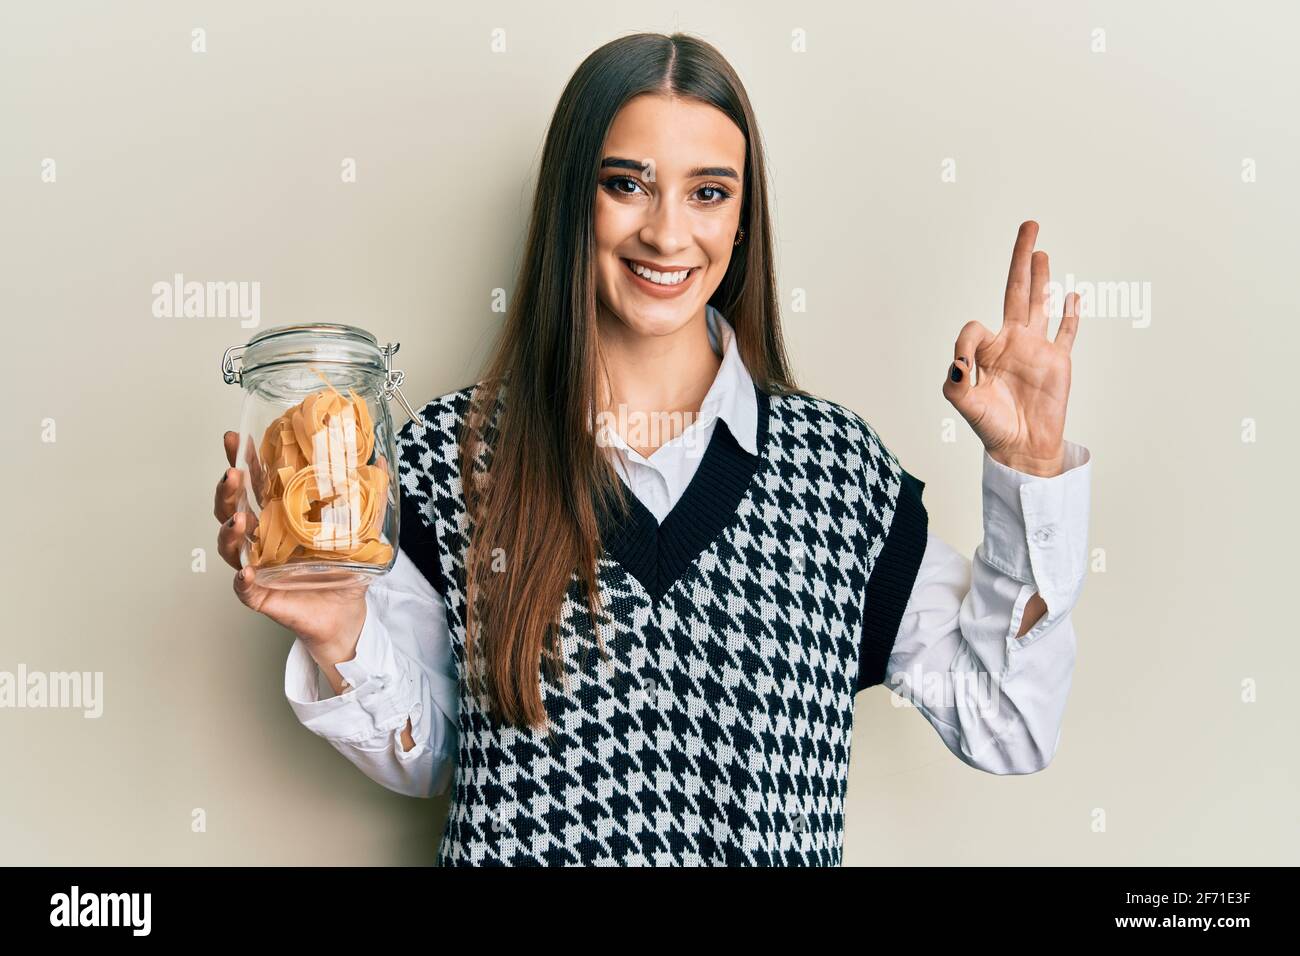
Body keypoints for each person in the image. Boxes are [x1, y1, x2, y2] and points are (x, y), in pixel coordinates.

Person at [212, 32, 1091, 866]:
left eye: (709, 192)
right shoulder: (451, 455)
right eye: (627, 184)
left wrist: (1030, 473)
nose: (668, 234)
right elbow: (440, 753)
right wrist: (339, 630)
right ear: (572, 202)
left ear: (743, 221)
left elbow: (1006, 721)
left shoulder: (839, 476)